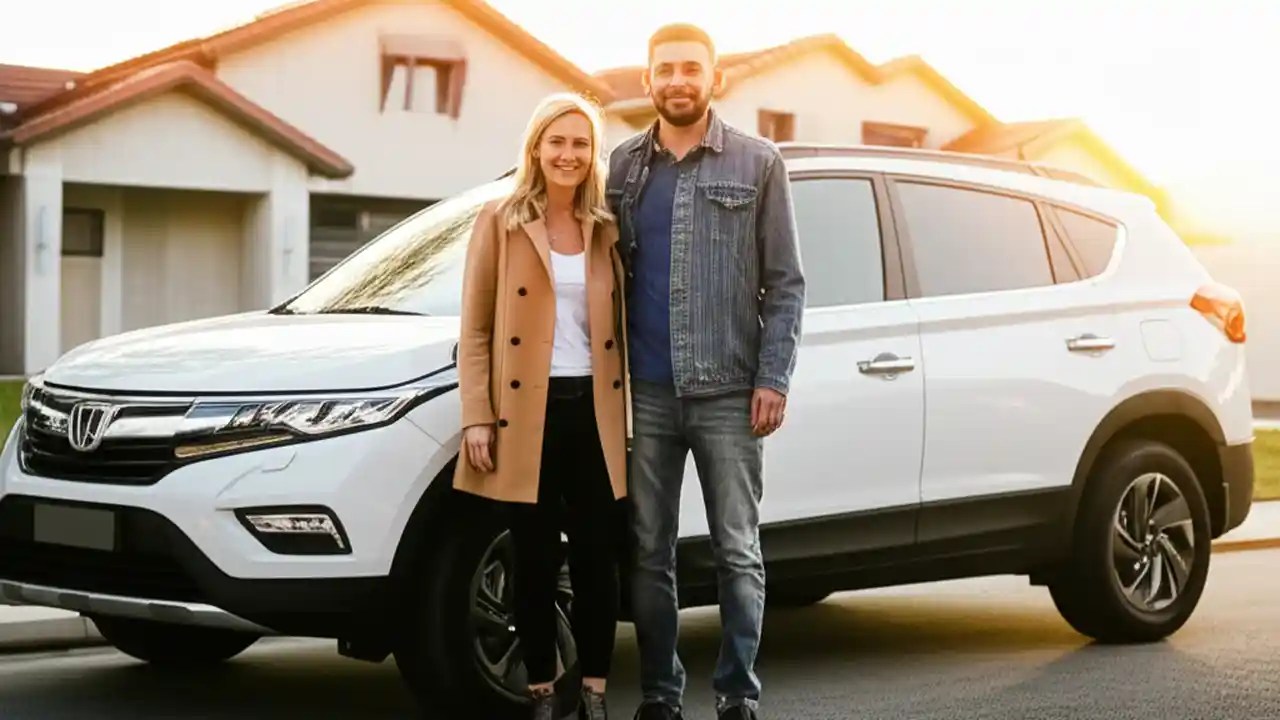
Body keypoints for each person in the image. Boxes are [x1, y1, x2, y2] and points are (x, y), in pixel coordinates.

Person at [606, 23, 806, 720]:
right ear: (647, 80)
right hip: (648, 396)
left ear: (714, 77)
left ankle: (735, 694)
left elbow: (785, 284)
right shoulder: (624, 169)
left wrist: (773, 378)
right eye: (666, 69)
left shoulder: (758, 164)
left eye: (691, 68)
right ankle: (660, 695)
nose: (678, 80)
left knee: (736, 551)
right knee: (648, 552)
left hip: (728, 391)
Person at [454, 92, 630, 720]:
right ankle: (541, 689)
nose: (568, 154)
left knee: (596, 561)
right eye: (557, 142)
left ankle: (595, 691)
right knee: (532, 558)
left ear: (593, 155)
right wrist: (477, 413)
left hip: (596, 413)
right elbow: (473, 330)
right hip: (524, 414)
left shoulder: (607, 227)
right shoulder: (498, 221)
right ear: (535, 148)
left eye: (581, 144)